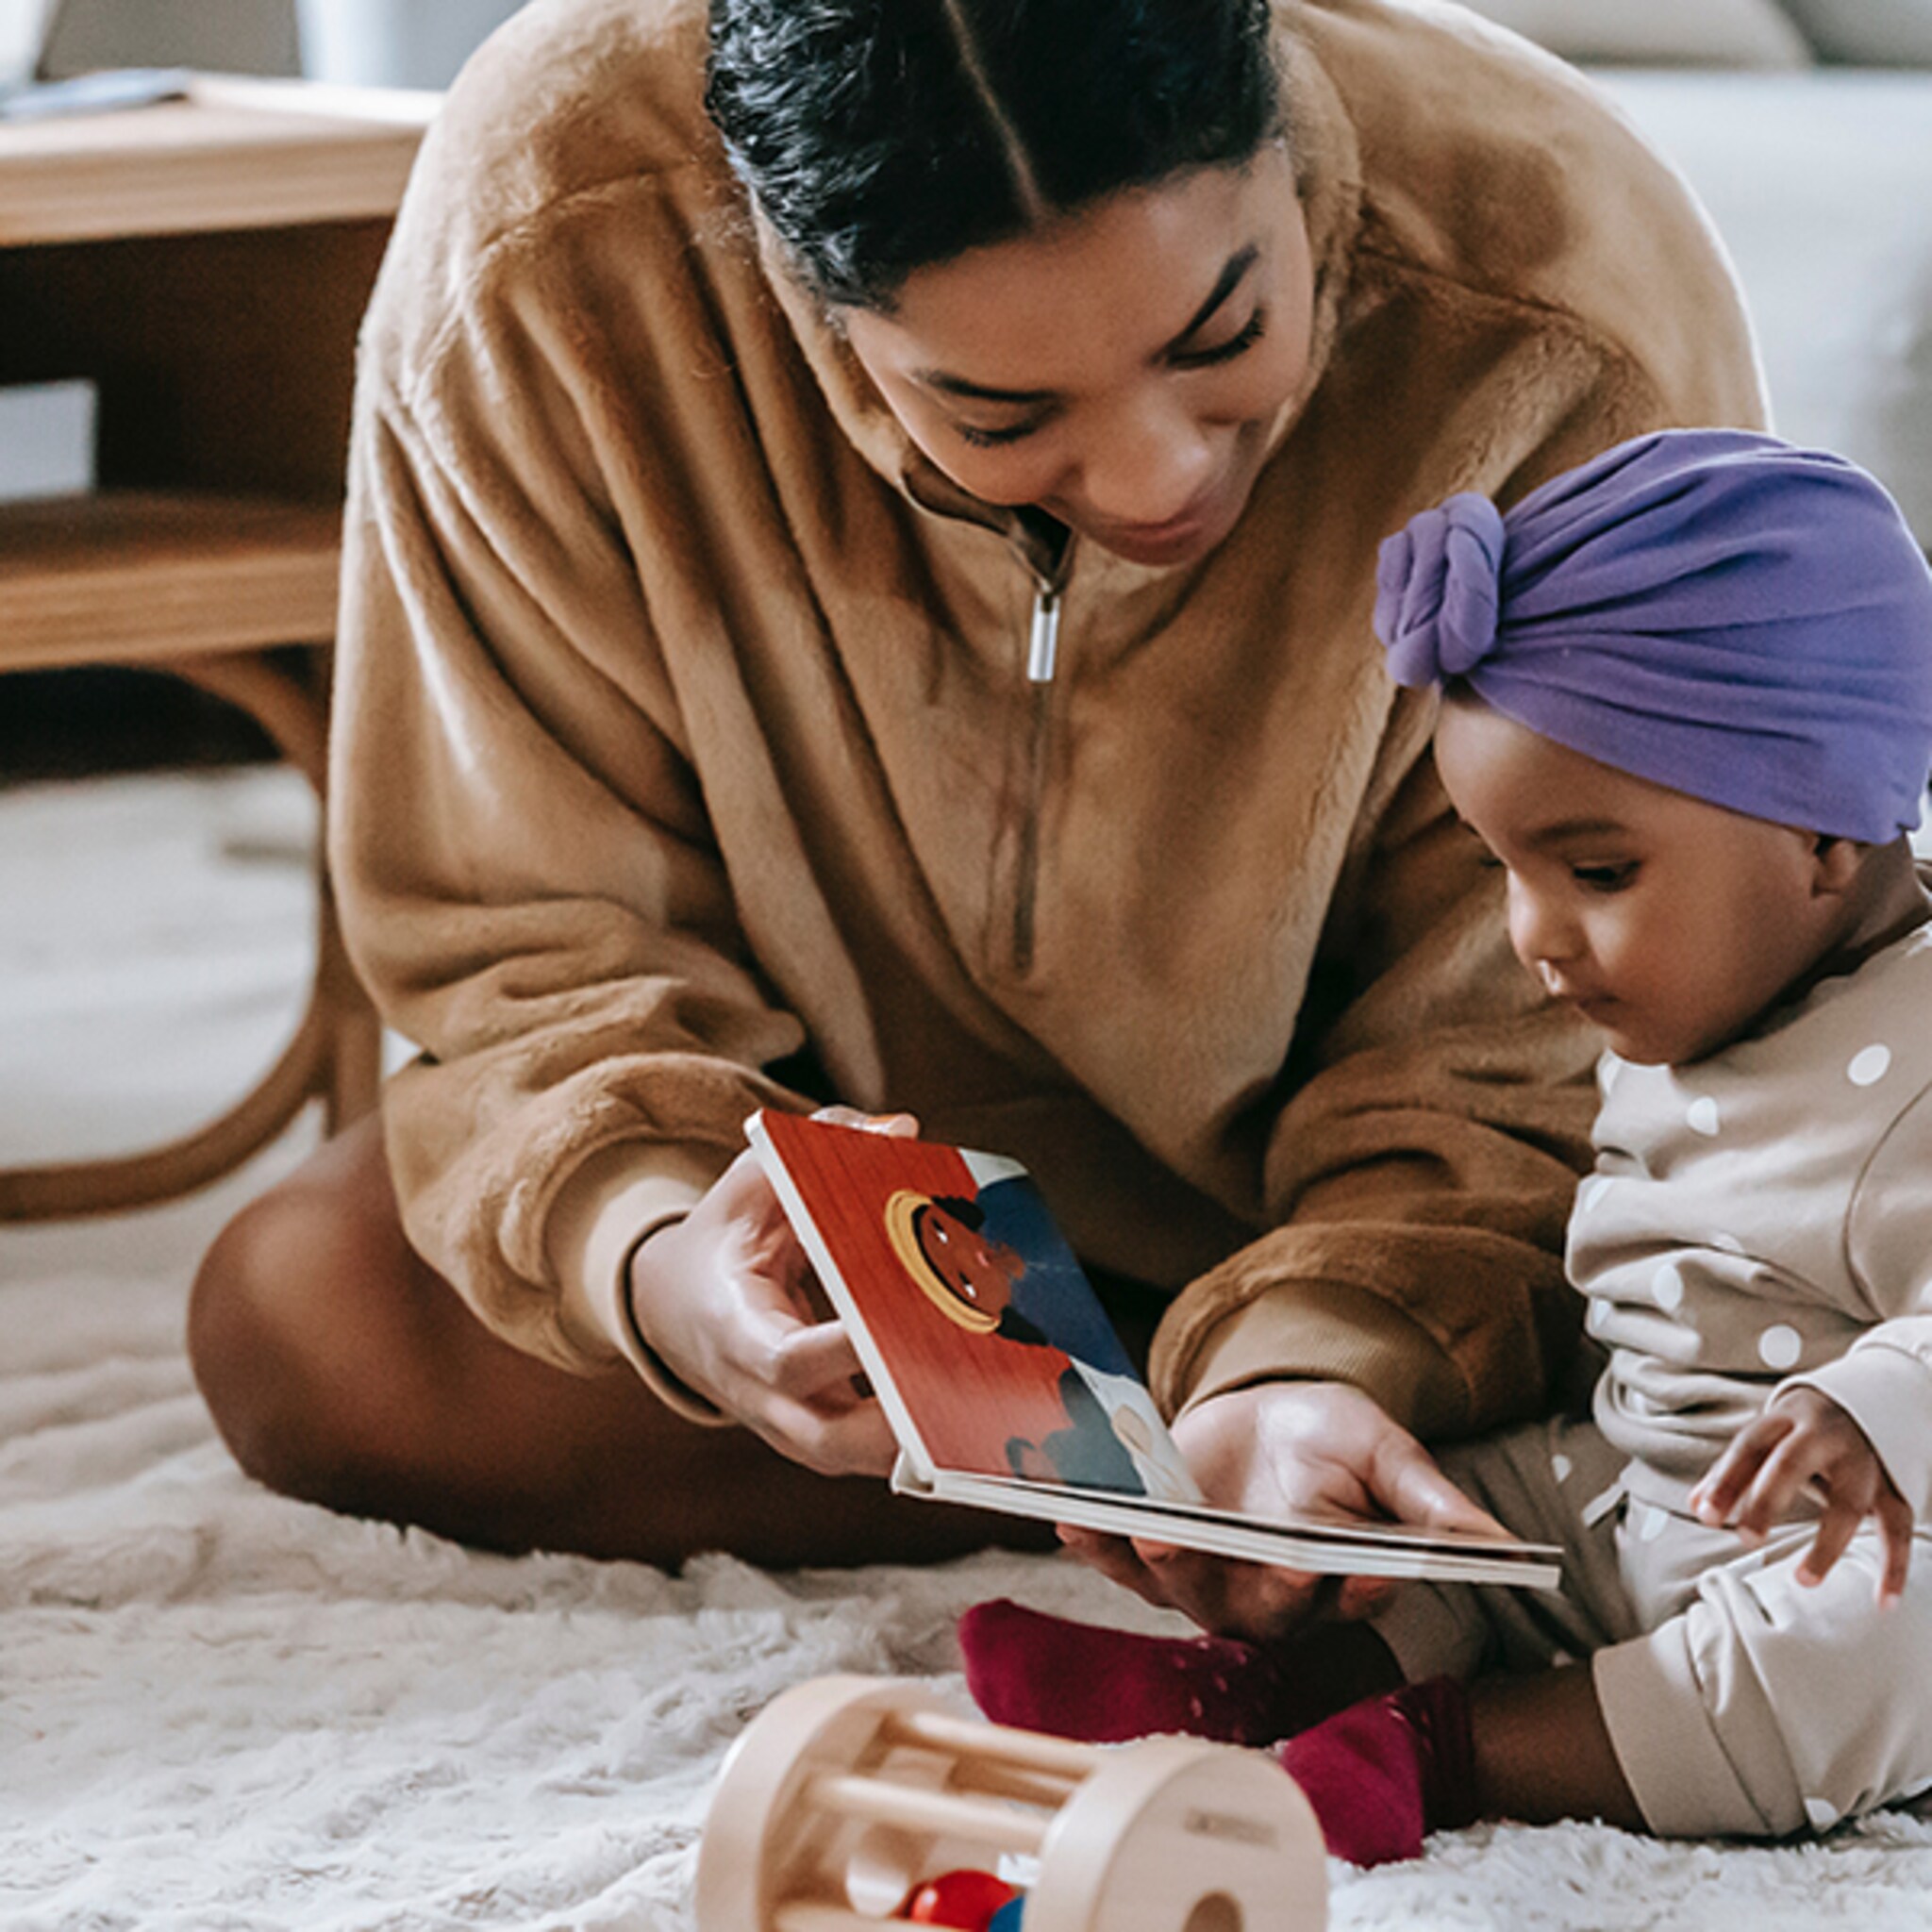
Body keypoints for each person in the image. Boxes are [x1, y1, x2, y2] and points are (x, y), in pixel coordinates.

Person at [186, 0, 1764, 1596]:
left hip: (1388, 1221)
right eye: (999, 416)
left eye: (1224, 336)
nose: (1156, 478)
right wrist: (669, 1267)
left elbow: (1558, 1043)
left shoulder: (1561, 288)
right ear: (800, 291)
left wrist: (1328, 1350)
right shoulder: (549, 240)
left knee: (1762, 1306)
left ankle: (1286, 1431)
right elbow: (523, 942)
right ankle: (1210, 1466)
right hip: (825, 1212)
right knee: (303, 1312)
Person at [961, 427, 1932, 1863]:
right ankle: (1265, 1691)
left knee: (1876, 1647)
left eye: (1597, 872)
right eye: (1505, 869)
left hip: (1846, 1539)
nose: (1534, 939)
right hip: (1645, 1479)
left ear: (1824, 837)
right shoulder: (1717, 988)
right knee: (1456, 1509)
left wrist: (1877, 1405)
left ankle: (1445, 1755)